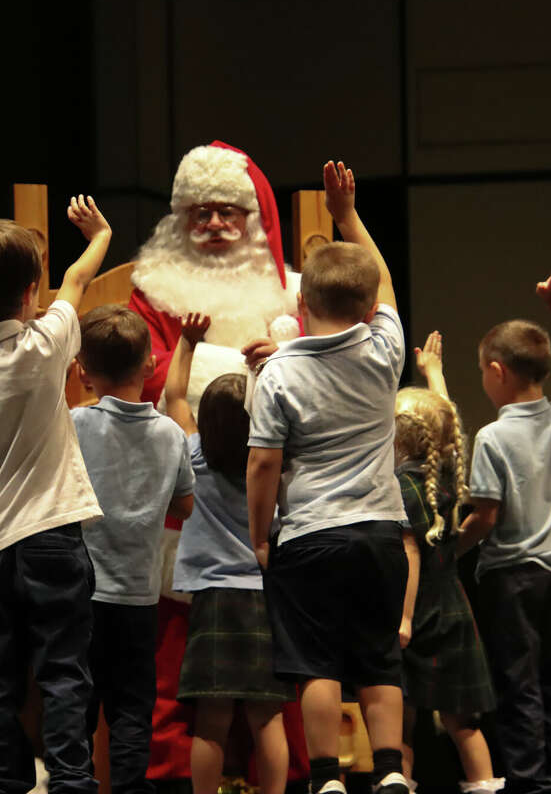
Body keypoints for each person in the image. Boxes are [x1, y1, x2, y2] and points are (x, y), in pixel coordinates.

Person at [126, 140, 305, 783]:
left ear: (254, 219)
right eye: (199, 212)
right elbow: (146, 378)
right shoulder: (152, 291)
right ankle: (176, 773)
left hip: (278, 498)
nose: (214, 225)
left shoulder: (292, 296)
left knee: (271, 675)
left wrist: (278, 360)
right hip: (184, 501)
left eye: (228, 211)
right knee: (182, 666)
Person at [0, 196, 111, 794]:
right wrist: (99, 234)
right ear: (32, 290)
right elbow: (78, 279)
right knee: (64, 671)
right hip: (53, 533)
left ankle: (1, 786)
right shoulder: (46, 343)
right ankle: (71, 782)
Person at [246, 162, 412, 794]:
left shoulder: (279, 373)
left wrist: (260, 537)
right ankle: (391, 772)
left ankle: (326, 780)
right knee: (379, 658)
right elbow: (385, 280)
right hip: (379, 531)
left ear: (301, 304)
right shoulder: (384, 350)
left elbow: (263, 463)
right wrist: (347, 215)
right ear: (368, 309)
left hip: (310, 534)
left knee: (316, 662)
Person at [457, 260, 551, 794]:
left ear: (497, 371)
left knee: (519, 686)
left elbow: (485, 516)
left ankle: (529, 785)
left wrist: (448, 548)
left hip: (511, 580)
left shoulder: (493, 437)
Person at [70, 304, 195, 794]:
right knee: (132, 710)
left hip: (82, 592)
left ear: (83, 371)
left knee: (77, 705)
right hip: (138, 597)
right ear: (149, 364)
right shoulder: (169, 433)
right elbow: (185, 505)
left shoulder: (74, 424)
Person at [167, 313, 293, 794]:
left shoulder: (194, 455)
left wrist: (187, 342)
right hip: (264, 596)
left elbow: (175, 397)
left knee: (211, 720)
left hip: (214, 598)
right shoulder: (273, 463)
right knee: (267, 716)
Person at [394, 333, 501, 794]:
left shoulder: (401, 488)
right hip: (452, 609)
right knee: (463, 723)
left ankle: (399, 785)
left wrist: (402, 618)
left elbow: (409, 555)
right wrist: (435, 375)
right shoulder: (447, 479)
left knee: (400, 723)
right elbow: (449, 429)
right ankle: (483, 785)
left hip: (415, 613)